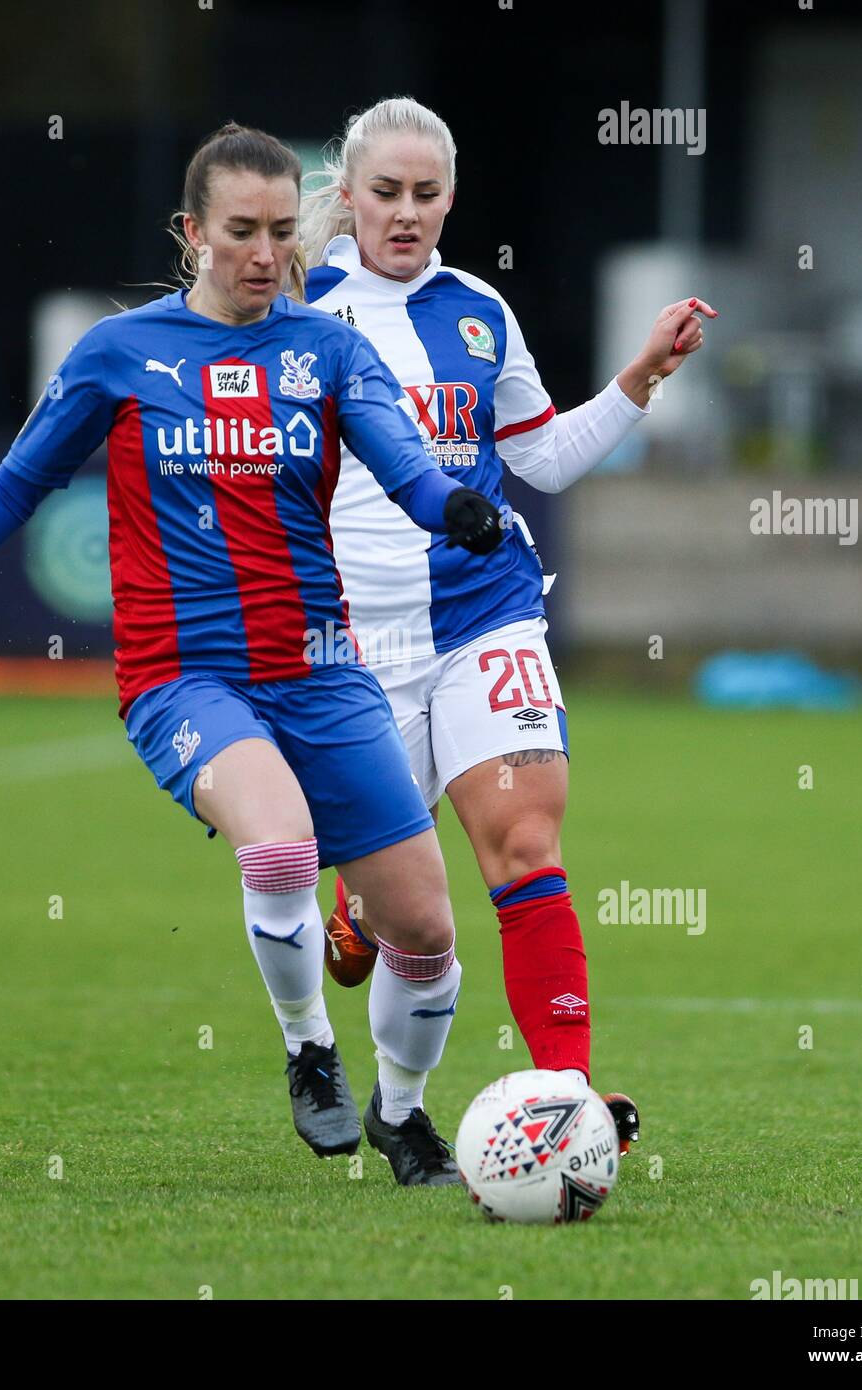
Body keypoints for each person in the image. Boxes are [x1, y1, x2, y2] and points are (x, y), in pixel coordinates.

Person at [0, 124, 505, 1186]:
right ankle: (307, 1053)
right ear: (192, 231)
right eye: (240, 230)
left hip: (323, 670)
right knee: (279, 849)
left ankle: (401, 1112)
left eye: (284, 232)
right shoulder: (119, 354)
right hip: (183, 676)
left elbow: (408, 469)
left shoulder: (330, 349)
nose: (263, 253)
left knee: (423, 929)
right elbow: (12, 487)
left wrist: (455, 506)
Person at [300, 97, 718, 1152]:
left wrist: (638, 381)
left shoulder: (477, 310)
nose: (405, 214)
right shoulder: (295, 313)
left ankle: (564, 1104)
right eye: (384, 194)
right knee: (388, 929)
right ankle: (356, 915)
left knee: (526, 841)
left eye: (425, 195)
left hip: (485, 613)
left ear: (450, 197)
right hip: (354, 647)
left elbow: (537, 460)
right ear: (346, 197)